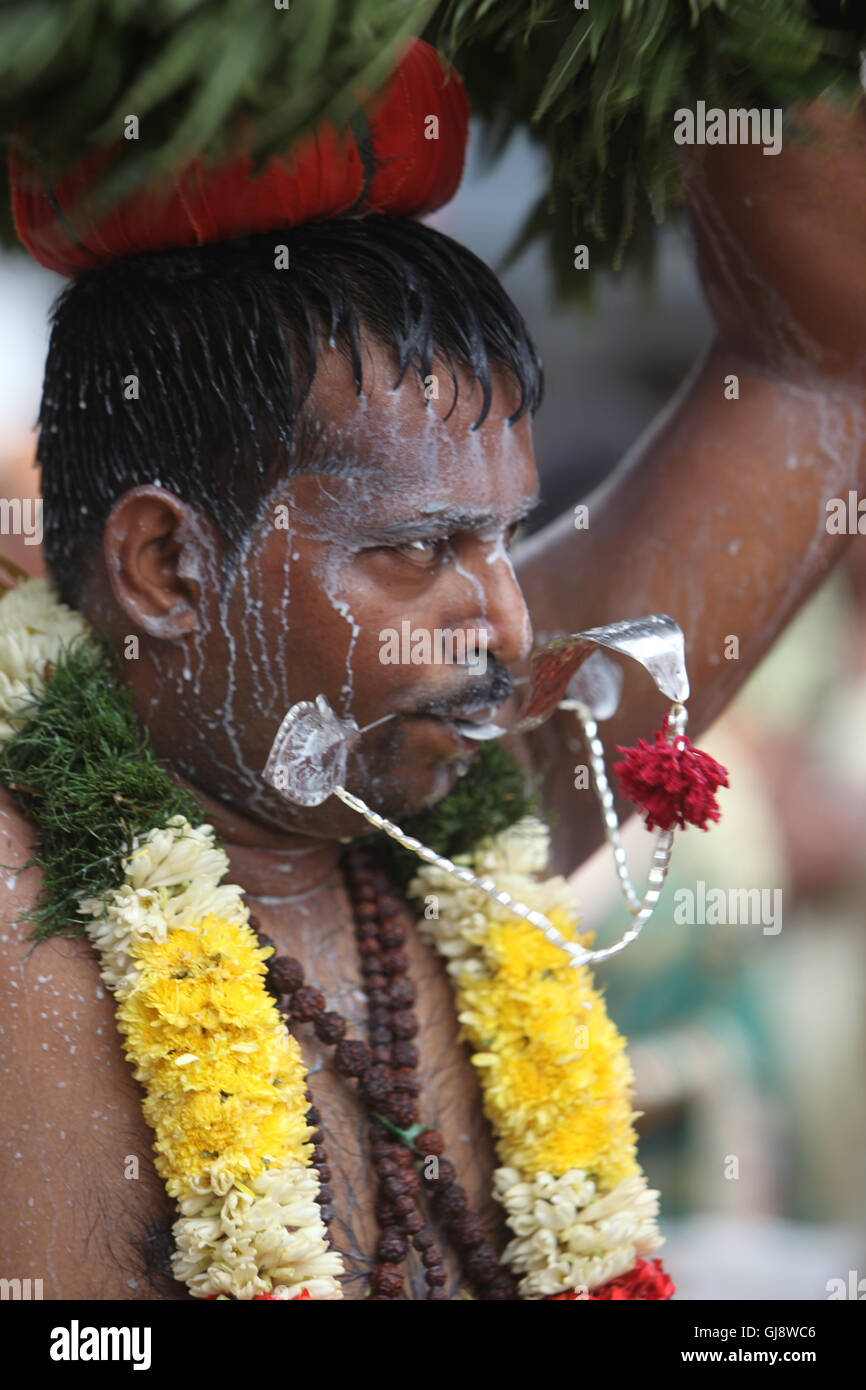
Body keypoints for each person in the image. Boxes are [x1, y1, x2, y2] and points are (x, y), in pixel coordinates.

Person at [2, 54, 866, 1297]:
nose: (510, 632)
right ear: (166, 565)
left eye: (506, 538)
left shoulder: (460, 805)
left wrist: (725, 34)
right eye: (417, 549)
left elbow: (817, 359)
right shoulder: (22, 918)